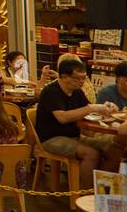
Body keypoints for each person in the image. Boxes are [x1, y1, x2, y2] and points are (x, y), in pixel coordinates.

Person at [33, 55, 116, 190]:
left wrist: (106, 108)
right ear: (64, 76)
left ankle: (105, 188)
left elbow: (89, 111)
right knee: (91, 153)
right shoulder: (50, 92)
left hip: (74, 136)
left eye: (83, 78)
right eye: (77, 78)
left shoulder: (77, 92)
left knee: (112, 146)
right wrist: (91, 108)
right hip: (51, 138)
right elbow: (63, 118)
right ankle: (86, 192)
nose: (81, 82)